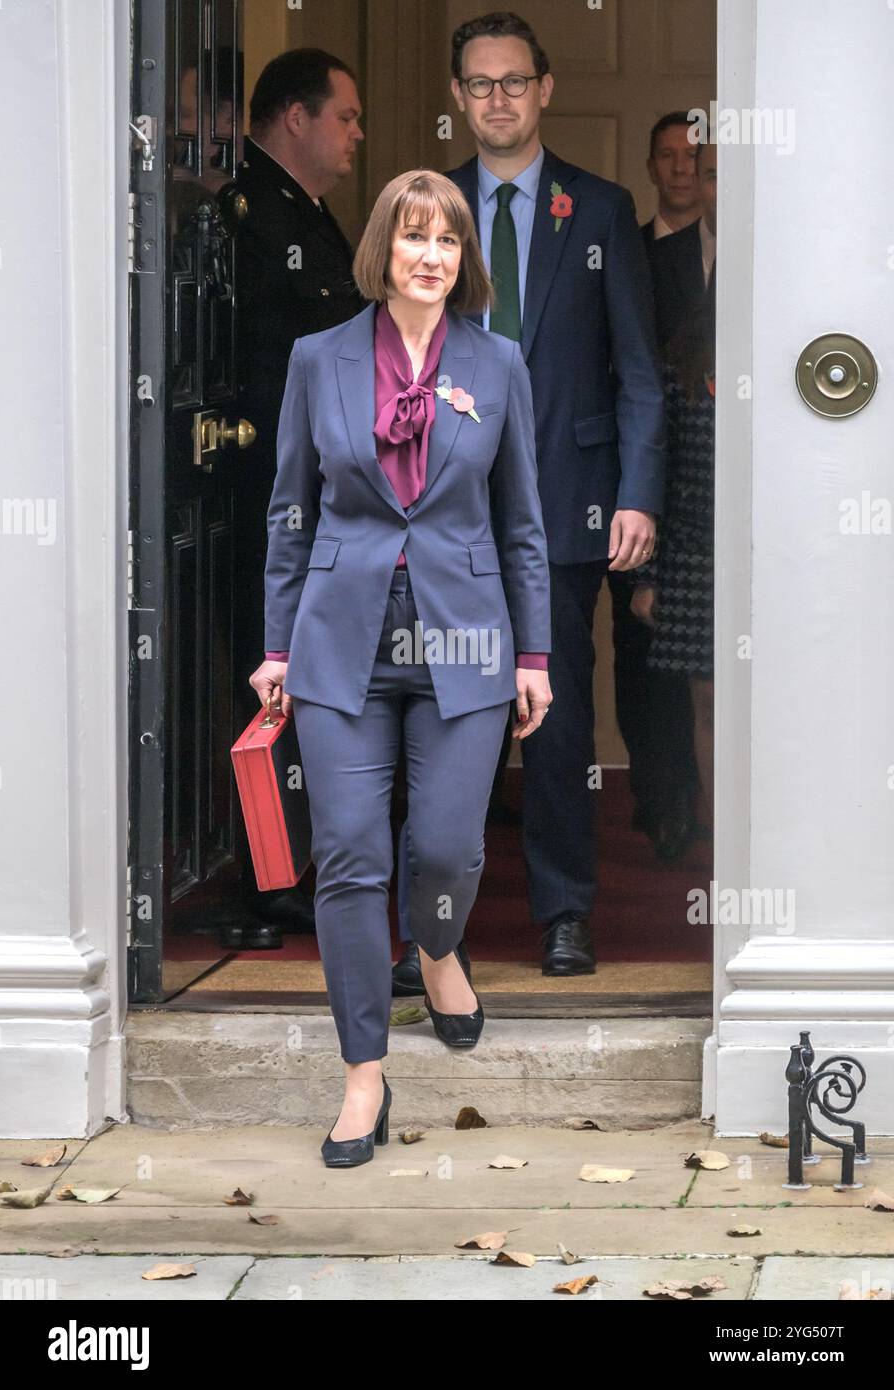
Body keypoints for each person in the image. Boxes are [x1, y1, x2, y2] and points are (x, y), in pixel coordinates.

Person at [249, 169, 552, 1166]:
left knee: (443, 850)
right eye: (413, 237)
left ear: (463, 261)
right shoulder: (318, 359)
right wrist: (277, 643)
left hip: (464, 642)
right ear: (381, 248)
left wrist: (534, 652)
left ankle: (433, 943)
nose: (430, 256)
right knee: (346, 853)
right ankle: (362, 1076)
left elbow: (520, 526)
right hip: (342, 640)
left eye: (448, 242)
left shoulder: (498, 363)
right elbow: (290, 508)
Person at [393, 11, 664, 988]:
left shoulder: (595, 210)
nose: (496, 99)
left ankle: (562, 914)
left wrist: (636, 494)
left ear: (543, 89)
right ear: (456, 98)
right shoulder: (427, 210)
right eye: (478, 84)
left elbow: (637, 371)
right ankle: (431, 932)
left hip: (569, 501)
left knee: (554, 718)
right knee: (437, 717)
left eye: (513, 81)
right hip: (442, 512)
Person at [229, 48, 366, 948]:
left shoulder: (310, 216)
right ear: (295, 119)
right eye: (346, 116)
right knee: (266, 675)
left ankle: (292, 857)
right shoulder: (246, 216)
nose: (358, 132)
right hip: (263, 493)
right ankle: (266, 875)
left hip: (315, 491)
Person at [630, 280, 717, 834]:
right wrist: (648, 574)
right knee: (709, 701)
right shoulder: (680, 370)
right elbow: (656, 478)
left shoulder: (791, 365)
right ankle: (720, 831)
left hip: (780, 557)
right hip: (693, 562)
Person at [648, 135, 717, 349]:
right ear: (696, 181)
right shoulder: (652, 258)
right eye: (713, 177)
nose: (727, 190)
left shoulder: (782, 259)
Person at [640, 111, 703, 246]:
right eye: (667, 155)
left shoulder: (733, 248)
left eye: (692, 155)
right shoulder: (627, 247)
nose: (679, 168)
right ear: (652, 169)